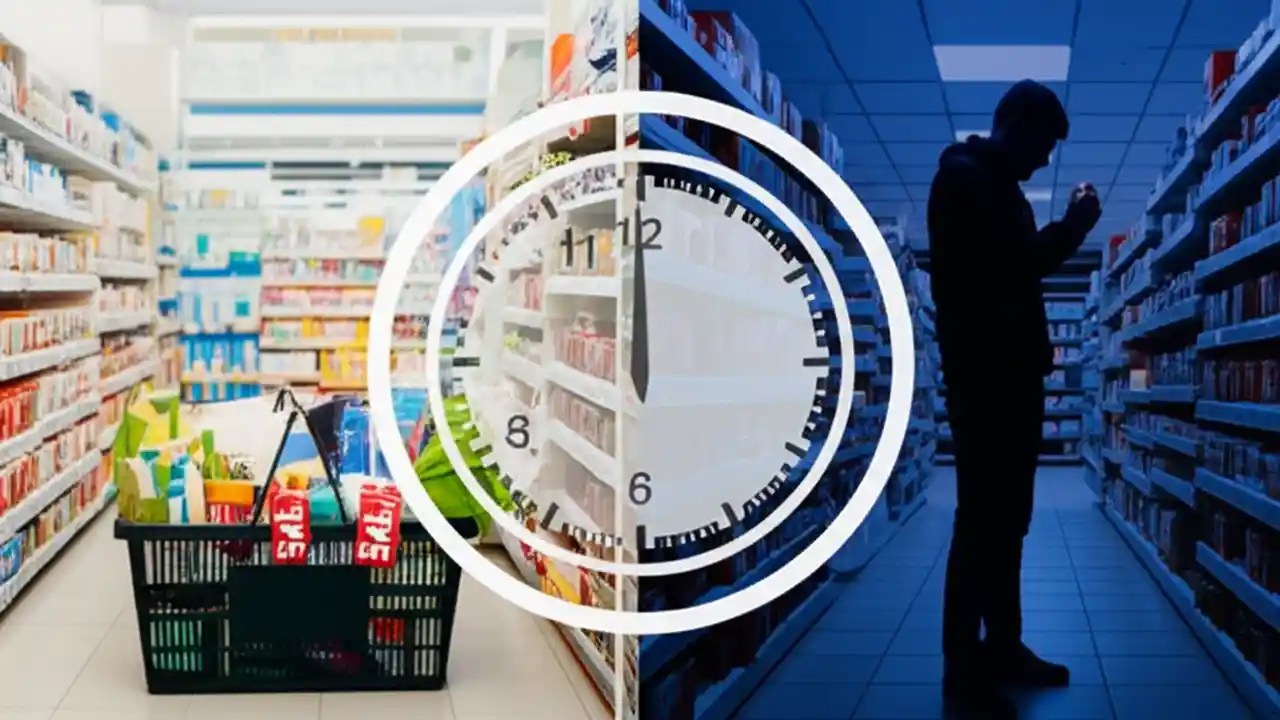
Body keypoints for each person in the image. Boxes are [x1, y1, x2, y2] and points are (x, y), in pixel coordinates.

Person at [927, 79, 1102, 718]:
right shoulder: (965, 181)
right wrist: (1074, 227)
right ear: (1017, 124)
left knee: (1007, 525)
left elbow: (1015, 272)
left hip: (1010, 384)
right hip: (987, 387)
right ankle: (963, 668)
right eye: (1044, 143)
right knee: (982, 526)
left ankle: (1002, 646)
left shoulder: (998, 186)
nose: (1045, 159)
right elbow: (1012, 269)